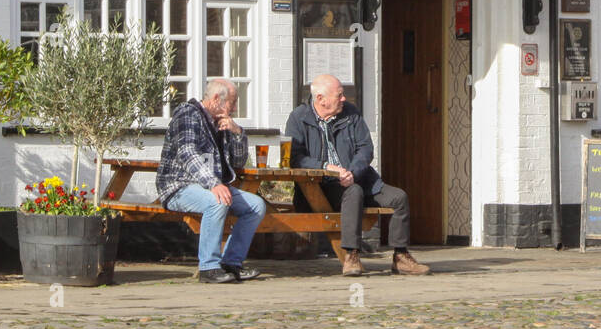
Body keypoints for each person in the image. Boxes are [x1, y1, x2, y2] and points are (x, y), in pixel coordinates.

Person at [285, 74, 430, 276]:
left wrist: (352, 172)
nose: (344, 99)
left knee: (398, 198)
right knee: (353, 192)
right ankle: (351, 255)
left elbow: (365, 149)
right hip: (322, 186)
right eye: (340, 95)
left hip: (359, 178)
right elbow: (296, 158)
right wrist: (327, 168)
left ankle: (401, 256)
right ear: (321, 99)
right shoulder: (299, 118)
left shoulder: (351, 114)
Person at [157, 78, 266, 283]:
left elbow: (238, 161)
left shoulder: (221, 122)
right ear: (216, 99)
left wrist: (238, 134)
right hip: (178, 186)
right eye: (232, 103)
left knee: (256, 206)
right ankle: (209, 267)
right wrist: (213, 184)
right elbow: (187, 152)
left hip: (210, 186)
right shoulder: (188, 114)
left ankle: (231, 263)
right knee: (217, 201)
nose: (234, 108)